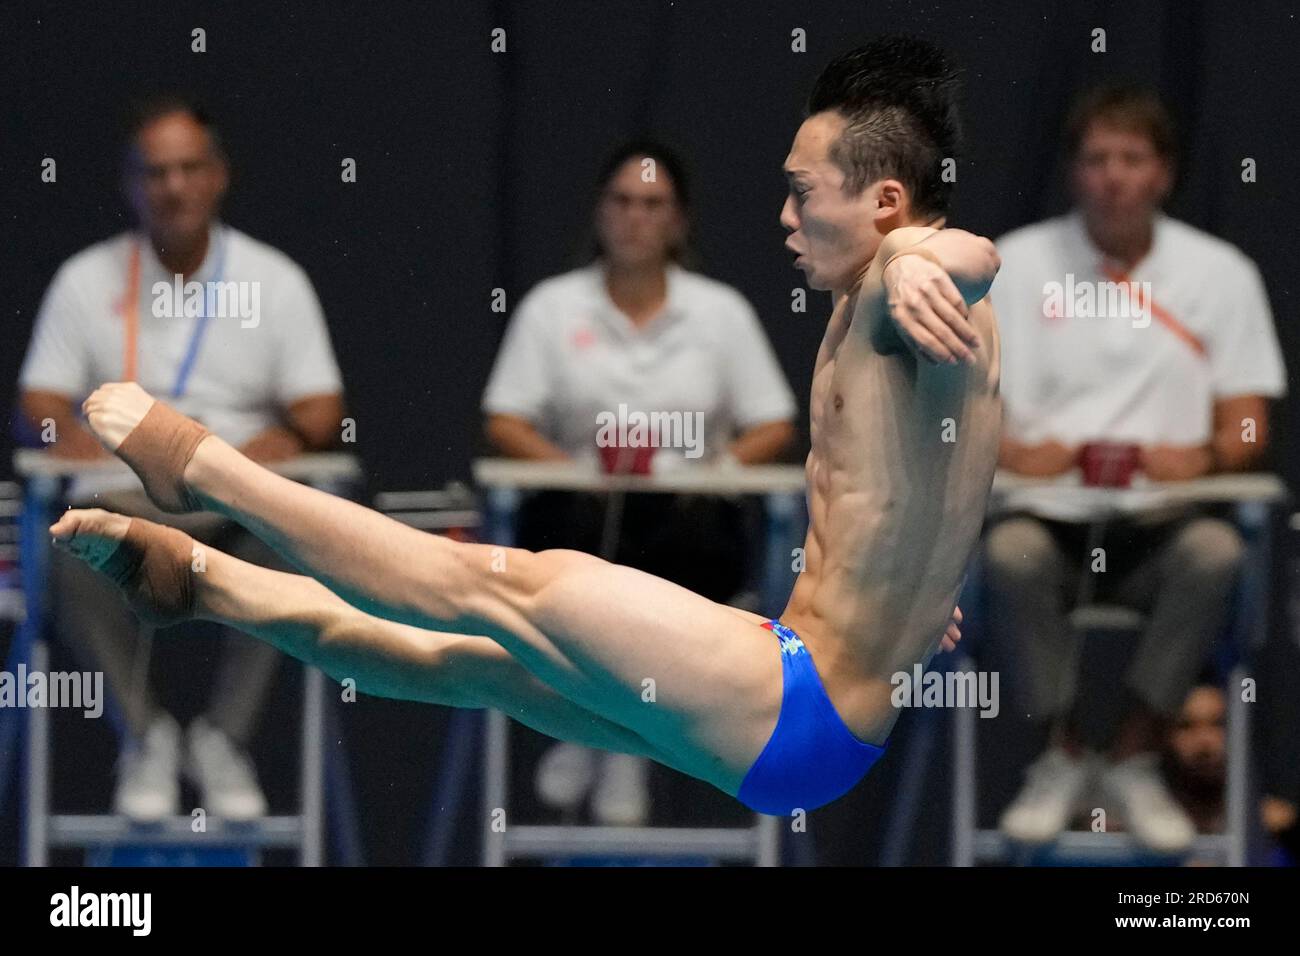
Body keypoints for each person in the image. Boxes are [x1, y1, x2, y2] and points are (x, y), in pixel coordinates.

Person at [50, 35, 1001, 817]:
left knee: (491, 584)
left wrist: (922, 258)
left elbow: (963, 252)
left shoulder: (905, 277)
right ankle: (204, 582)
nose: (784, 215)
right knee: (471, 663)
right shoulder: (910, 322)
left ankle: (199, 467)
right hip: (818, 729)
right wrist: (915, 594)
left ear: (884, 203)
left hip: (789, 700)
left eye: (803, 191)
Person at [18, 95, 346, 821]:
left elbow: (322, 413)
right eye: (155, 172)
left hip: (230, 497)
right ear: (131, 184)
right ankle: (146, 740)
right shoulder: (85, 280)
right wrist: (72, 441)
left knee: (303, 541)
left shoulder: (275, 280)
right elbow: (38, 399)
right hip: (121, 497)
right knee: (65, 549)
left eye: (188, 168)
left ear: (218, 176)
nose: (173, 187)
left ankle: (223, 740)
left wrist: (260, 450)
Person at [987, 84, 1286, 852]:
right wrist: (1007, 449)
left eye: (1132, 158)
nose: (1114, 175)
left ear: (1164, 172)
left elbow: (1252, 419)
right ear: (1073, 172)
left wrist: (1212, 453)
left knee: (1217, 554)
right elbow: (960, 407)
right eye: (1096, 158)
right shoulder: (1014, 267)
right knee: (1007, 555)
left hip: (1162, 527)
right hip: (1046, 521)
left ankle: (1133, 752)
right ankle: (1060, 754)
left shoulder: (1220, 273)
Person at [482, 139, 797, 824]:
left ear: (679, 220)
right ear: (600, 212)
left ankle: (603, 737)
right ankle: (615, 737)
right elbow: (505, 419)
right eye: (622, 202)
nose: (635, 218)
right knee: (579, 542)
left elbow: (773, 422)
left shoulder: (721, 313)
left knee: (676, 538)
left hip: (689, 529)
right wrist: (572, 472)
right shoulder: (551, 308)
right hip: (578, 522)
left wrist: (718, 472)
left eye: (652, 204)